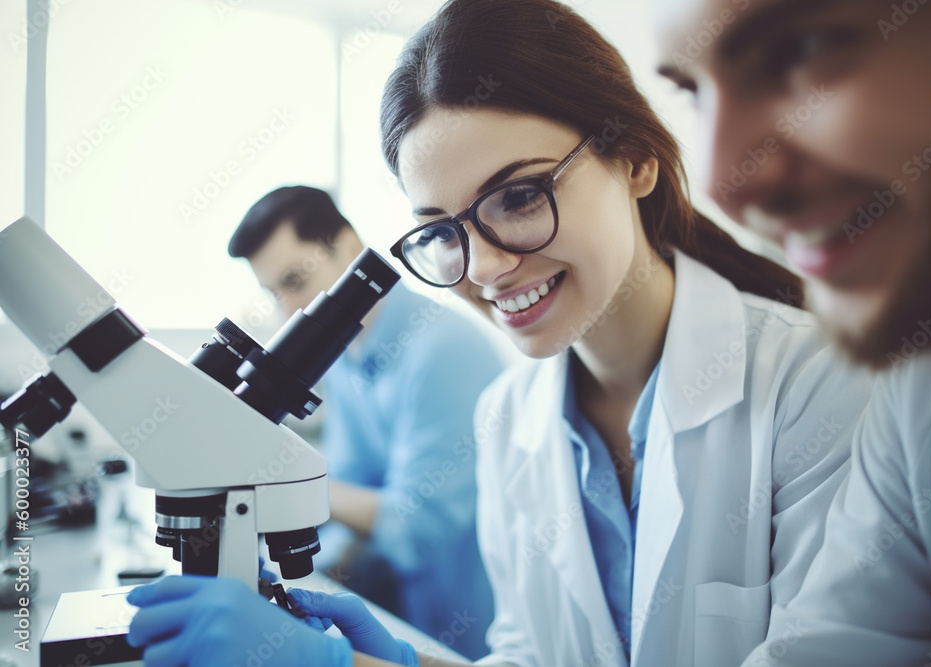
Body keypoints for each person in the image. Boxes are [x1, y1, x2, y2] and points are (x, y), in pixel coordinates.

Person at [126, 2, 872, 665]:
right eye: (444, 231)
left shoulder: (818, 387)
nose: (484, 266)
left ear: (637, 158)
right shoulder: (510, 419)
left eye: (519, 196)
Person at [653, 1, 931, 665]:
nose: (724, 182)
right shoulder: (925, 375)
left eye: (803, 49)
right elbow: (833, 645)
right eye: (693, 90)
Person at [227, 186, 503, 659]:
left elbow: (416, 530)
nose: (287, 311)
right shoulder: (347, 360)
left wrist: (280, 478)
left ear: (350, 248)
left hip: (468, 638)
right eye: (274, 293)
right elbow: (350, 491)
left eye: (295, 280)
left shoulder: (442, 350)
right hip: (404, 621)